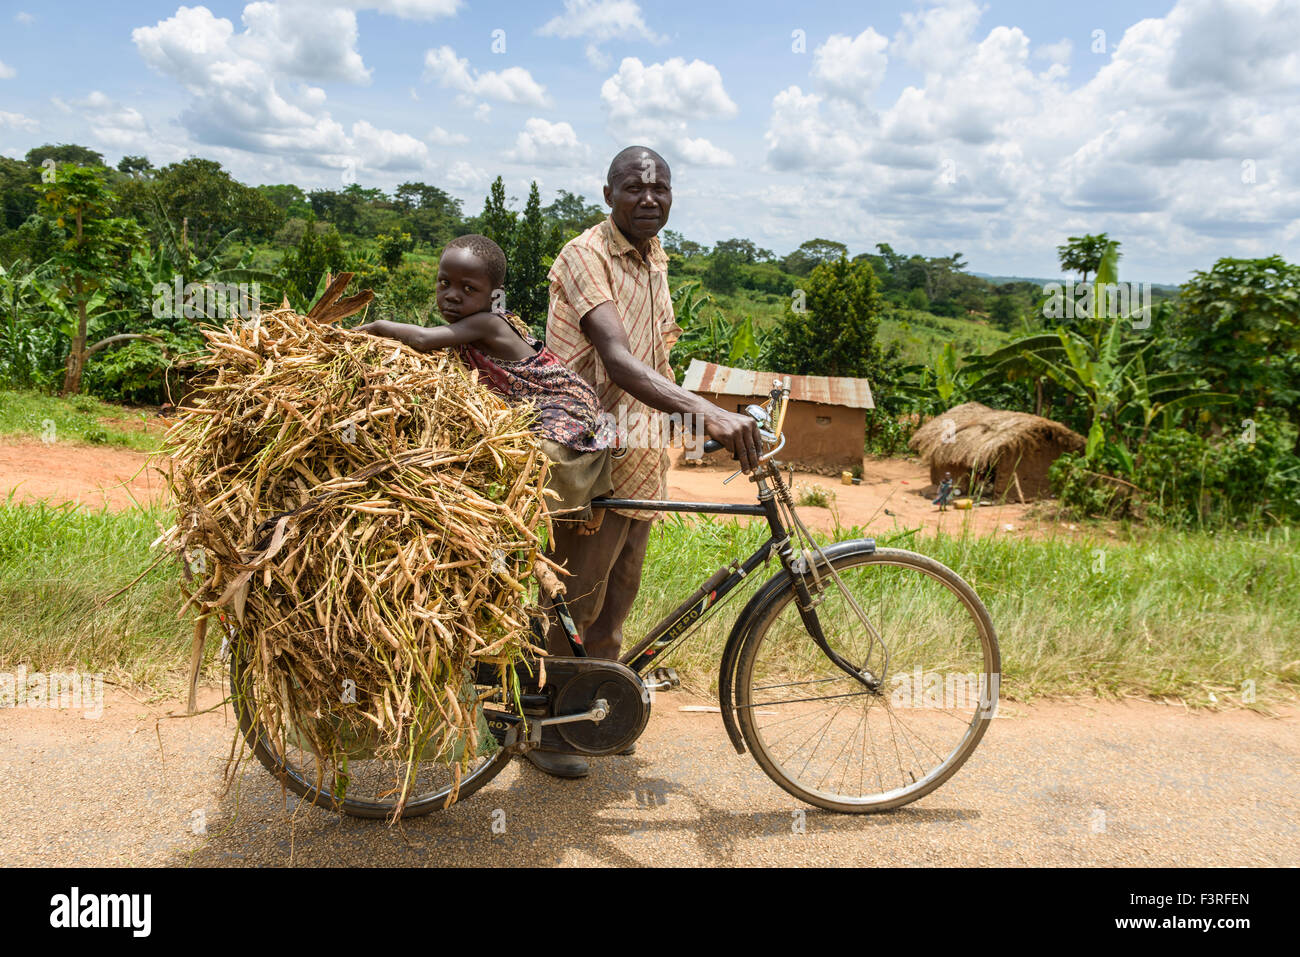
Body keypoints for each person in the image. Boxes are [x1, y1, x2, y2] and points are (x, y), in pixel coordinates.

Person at [531, 146, 762, 778]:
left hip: (641, 455)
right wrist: (709, 413)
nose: (649, 199)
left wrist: (698, 426)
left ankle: (590, 711)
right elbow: (618, 361)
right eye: (635, 188)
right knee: (579, 596)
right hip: (588, 450)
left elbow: (655, 365)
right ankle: (549, 731)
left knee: (618, 598)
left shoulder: (655, 258)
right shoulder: (586, 257)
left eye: (660, 189)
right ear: (608, 194)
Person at [356, 233, 613, 531]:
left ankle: (591, 497)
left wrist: (372, 327)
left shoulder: (488, 323)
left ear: (494, 295)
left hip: (564, 403)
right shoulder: (470, 325)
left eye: (468, 288)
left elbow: (422, 339)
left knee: (541, 454)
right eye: (444, 284)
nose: (452, 295)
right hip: (538, 407)